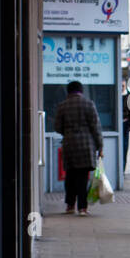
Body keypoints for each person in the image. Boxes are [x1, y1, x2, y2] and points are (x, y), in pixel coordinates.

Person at [53, 80, 104, 216]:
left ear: (68, 91)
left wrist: (68, 132)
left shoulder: (62, 106)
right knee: (82, 177)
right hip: (86, 145)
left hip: (69, 145)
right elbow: (96, 127)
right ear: (81, 91)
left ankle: (70, 205)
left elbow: (57, 127)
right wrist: (100, 146)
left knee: (70, 175)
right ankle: (82, 208)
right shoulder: (89, 104)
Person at [122, 83, 130, 177]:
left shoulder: (129, 96)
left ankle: (122, 168)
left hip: (125, 123)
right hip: (117, 123)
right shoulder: (116, 94)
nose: (122, 87)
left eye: (123, 85)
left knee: (125, 145)